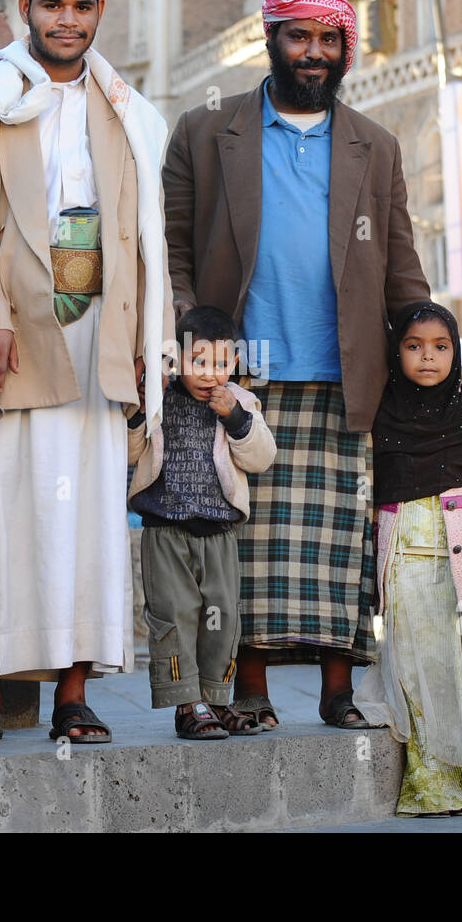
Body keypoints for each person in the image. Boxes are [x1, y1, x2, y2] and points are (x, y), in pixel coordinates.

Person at [162, 0, 431, 730]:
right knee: (239, 549)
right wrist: (193, 333)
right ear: (271, 41)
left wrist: (425, 352)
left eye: (329, 39)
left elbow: (403, 266)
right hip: (238, 376)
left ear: (346, 48)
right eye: (298, 36)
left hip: (346, 377)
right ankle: (248, 692)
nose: (314, 51)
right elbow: (174, 248)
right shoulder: (205, 131)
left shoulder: (375, 146)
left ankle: (337, 693)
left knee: (336, 550)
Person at [0, 0, 174, 744]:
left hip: (101, 338)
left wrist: (144, 340)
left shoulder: (127, 111)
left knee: (93, 520)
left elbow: (141, 240)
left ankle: (74, 693)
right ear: (24, 8)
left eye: (80, 6)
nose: (66, 20)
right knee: (5, 512)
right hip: (13, 340)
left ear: (100, 12)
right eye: (51, 5)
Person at [354, 301, 462, 815]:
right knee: (416, 667)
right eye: (413, 347)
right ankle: (433, 786)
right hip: (403, 562)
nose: (427, 358)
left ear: (456, 352)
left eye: (440, 347)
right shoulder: (381, 413)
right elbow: (368, 489)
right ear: (396, 352)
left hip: (459, 569)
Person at [126, 306, 277, 739]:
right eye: (199, 362)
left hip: (219, 532)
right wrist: (139, 411)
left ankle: (215, 699)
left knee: (222, 616)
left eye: (221, 363)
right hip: (166, 529)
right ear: (176, 360)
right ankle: (186, 703)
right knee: (175, 614)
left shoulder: (242, 401)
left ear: (234, 362)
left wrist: (235, 418)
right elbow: (132, 451)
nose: (211, 374)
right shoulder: (159, 397)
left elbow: (261, 457)